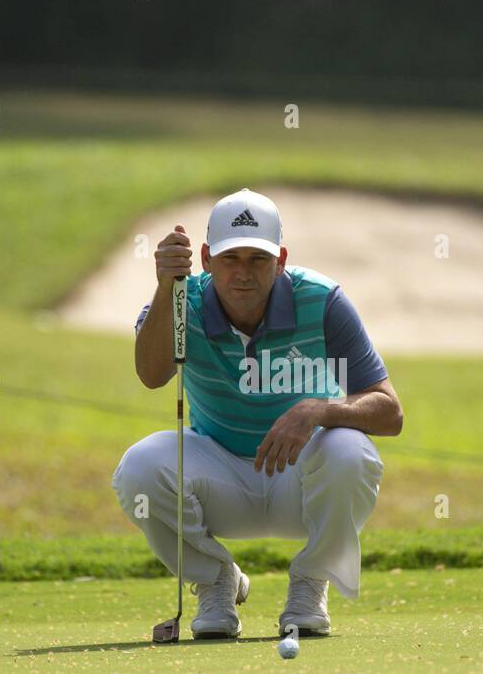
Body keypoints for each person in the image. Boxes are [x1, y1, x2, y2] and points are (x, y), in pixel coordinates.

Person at [112, 188, 403, 638]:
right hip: (220, 476)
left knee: (349, 450)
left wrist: (316, 410)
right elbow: (151, 375)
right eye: (230, 259)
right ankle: (215, 581)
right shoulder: (180, 301)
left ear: (281, 259)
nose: (243, 273)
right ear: (206, 258)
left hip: (301, 480)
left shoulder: (323, 301)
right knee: (139, 468)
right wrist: (167, 286)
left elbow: (389, 412)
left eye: (257, 259)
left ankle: (310, 582)